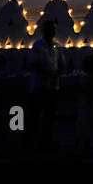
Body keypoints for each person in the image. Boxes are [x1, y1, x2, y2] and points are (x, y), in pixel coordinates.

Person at [25, 21, 62, 150]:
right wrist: (47, 72)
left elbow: (60, 63)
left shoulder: (56, 46)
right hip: (39, 85)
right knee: (35, 115)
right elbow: (33, 64)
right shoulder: (38, 46)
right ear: (44, 31)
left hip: (53, 86)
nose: (53, 32)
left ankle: (45, 141)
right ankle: (29, 142)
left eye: (54, 29)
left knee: (49, 116)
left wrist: (56, 73)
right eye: (50, 29)